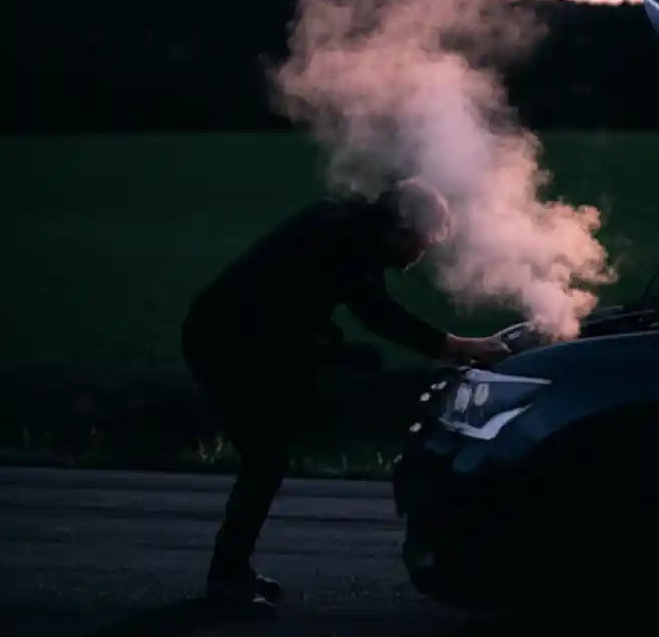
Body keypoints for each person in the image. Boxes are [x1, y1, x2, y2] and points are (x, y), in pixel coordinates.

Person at [180, 177, 508, 616]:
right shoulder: (347, 240)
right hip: (226, 342)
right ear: (401, 228)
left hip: (235, 337)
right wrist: (455, 345)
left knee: (268, 454)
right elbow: (374, 310)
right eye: (422, 242)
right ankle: (225, 579)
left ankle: (232, 570)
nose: (421, 254)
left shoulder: (351, 229)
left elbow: (333, 302)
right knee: (267, 457)